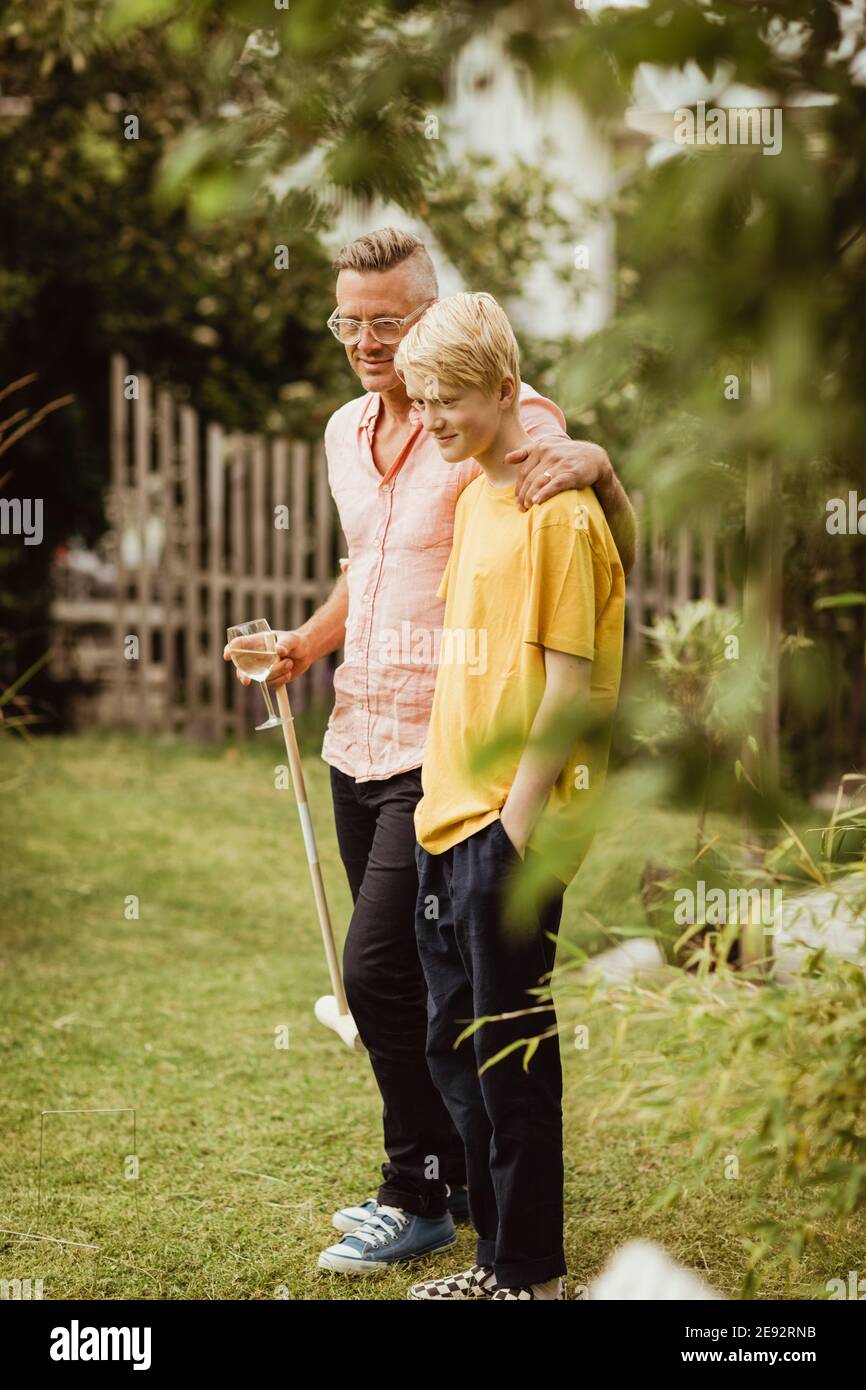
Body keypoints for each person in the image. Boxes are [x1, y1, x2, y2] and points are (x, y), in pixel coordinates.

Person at [226, 228, 635, 1274]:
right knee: (420, 991)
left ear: (429, 314)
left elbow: (563, 491)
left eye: (387, 320)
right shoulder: (343, 432)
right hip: (358, 730)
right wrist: (305, 645)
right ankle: (449, 1189)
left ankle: (423, 1190)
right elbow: (371, 570)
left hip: (452, 756)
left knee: (379, 975)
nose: (365, 340)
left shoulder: (487, 414)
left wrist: (596, 460)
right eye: (348, 321)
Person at [390, 291, 625, 1300]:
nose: (430, 416)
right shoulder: (474, 494)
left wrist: (511, 836)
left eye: (445, 397)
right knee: (452, 1044)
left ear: (501, 388)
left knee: (509, 1061)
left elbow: (570, 691)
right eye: (417, 398)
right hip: (446, 814)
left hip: (506, 828)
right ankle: (493, 1260)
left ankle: (525, 1275)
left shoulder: (558, 514)